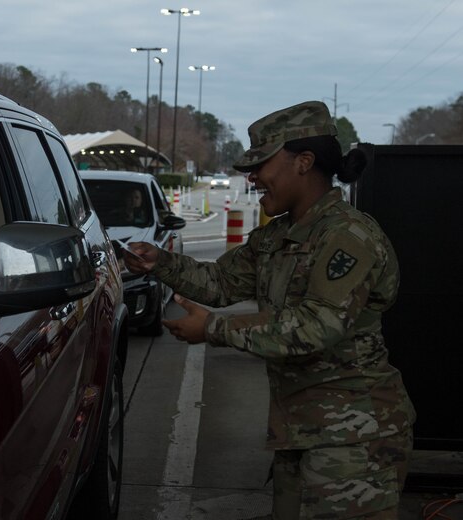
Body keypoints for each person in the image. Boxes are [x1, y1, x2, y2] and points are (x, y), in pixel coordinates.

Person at [123, 101, 416, 519]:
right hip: (299, 431)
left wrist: (215, 330)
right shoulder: (277, 235)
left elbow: (318, 326)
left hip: (354, 438)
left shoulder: (348, 236)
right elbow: (222, 283)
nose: (253, 177)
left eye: (261, 164)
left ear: (304, 162)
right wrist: (160, 263)